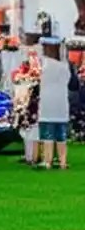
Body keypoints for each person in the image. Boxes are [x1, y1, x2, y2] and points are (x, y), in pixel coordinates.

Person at [37, 38, 71, 170]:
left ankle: (48, 160)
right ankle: (62, 161)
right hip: (62, 103)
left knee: (47, 134)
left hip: (47, 103)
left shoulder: (45, 64)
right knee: (61, 135)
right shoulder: (64, 66)